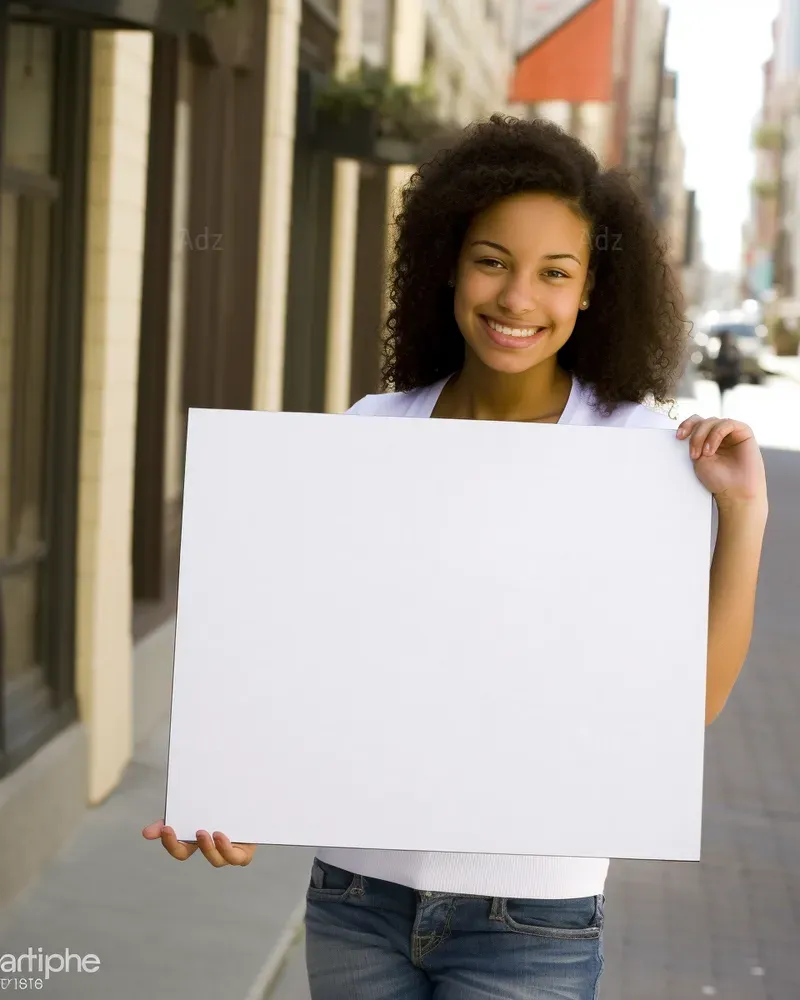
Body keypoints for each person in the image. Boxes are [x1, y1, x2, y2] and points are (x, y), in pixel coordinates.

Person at [143, 116, 768, 999]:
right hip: (356, 895)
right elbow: (302, 650)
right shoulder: (371, 432)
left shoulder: (638, 457)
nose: (518, 297)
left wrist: (743, 513)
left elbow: (685, 709)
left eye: (556, 272)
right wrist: (232, 791)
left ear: (591, 290)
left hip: (532, 917)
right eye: (492, 260)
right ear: (447, 262)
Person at [713, 329, 742, 414]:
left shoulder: (733, 350)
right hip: (722, 380)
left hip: (731, 378)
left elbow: (735, 366)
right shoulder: (721, 349)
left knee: (730, 399)